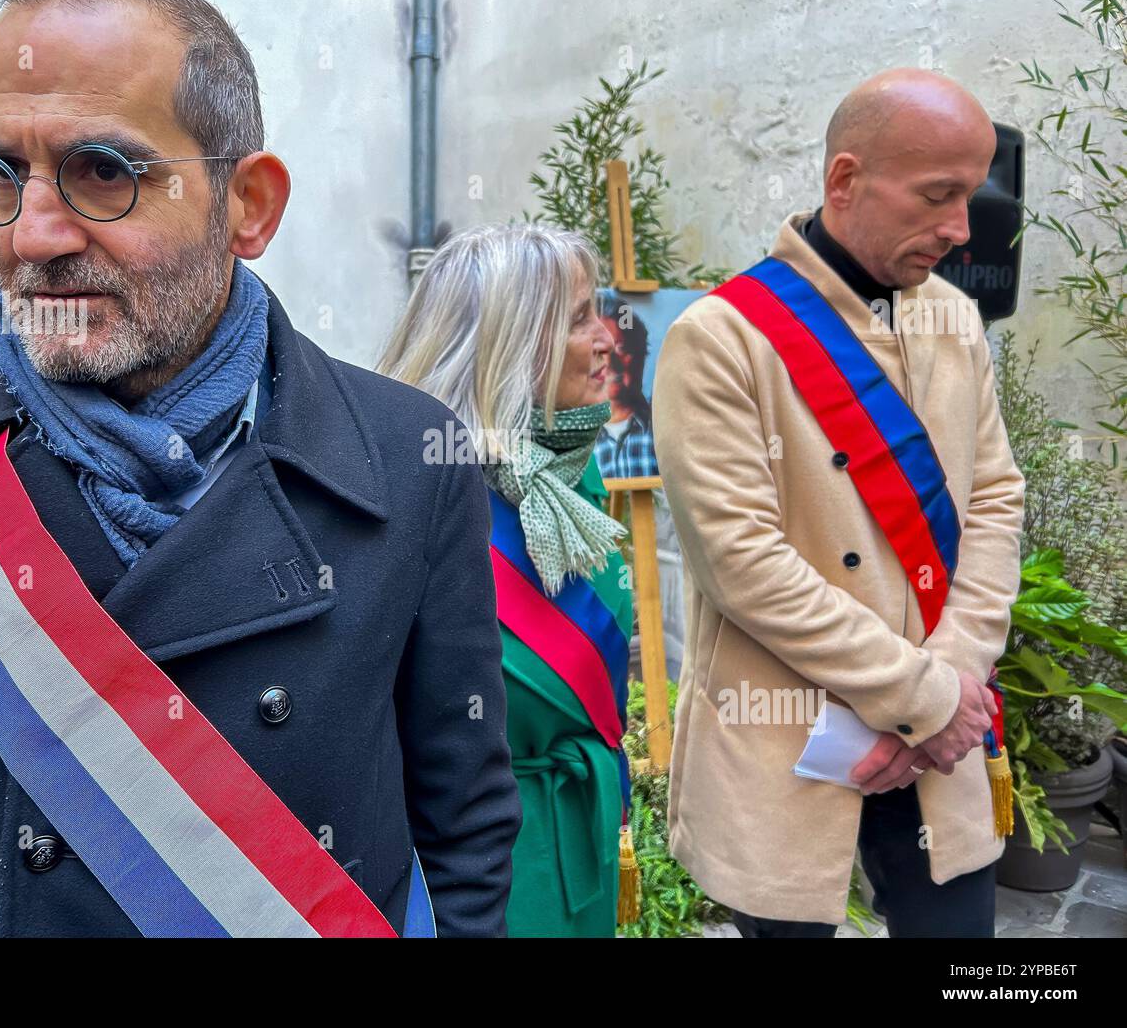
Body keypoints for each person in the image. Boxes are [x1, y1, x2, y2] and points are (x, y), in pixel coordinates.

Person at [0, 0, 520, 938]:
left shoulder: (412, 460)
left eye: (102, 171)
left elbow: (463, 826)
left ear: (250, 207)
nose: (30, 235)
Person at [652, 68, 1025, 937]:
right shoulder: (722, 337)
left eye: (971, 197)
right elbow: (741, 561)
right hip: (788, 735)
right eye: (938, 196)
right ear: (846, 180)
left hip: (940, 734)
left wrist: (952, 680)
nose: (960, 229)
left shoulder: (956, 321)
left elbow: (997, 496)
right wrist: (921, 695)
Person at [379, 223, 634, 937]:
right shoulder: (412, 497)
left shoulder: (570, 472)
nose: (607, 336)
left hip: (579, 827)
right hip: (482, 860)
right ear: (509, 341)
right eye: (580, 317)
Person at [594, 295, 658, 480]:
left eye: (622, 349)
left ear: (641, 356)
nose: (609, 362)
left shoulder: (666, 427)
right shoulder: (574, 440)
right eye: (599, 350)